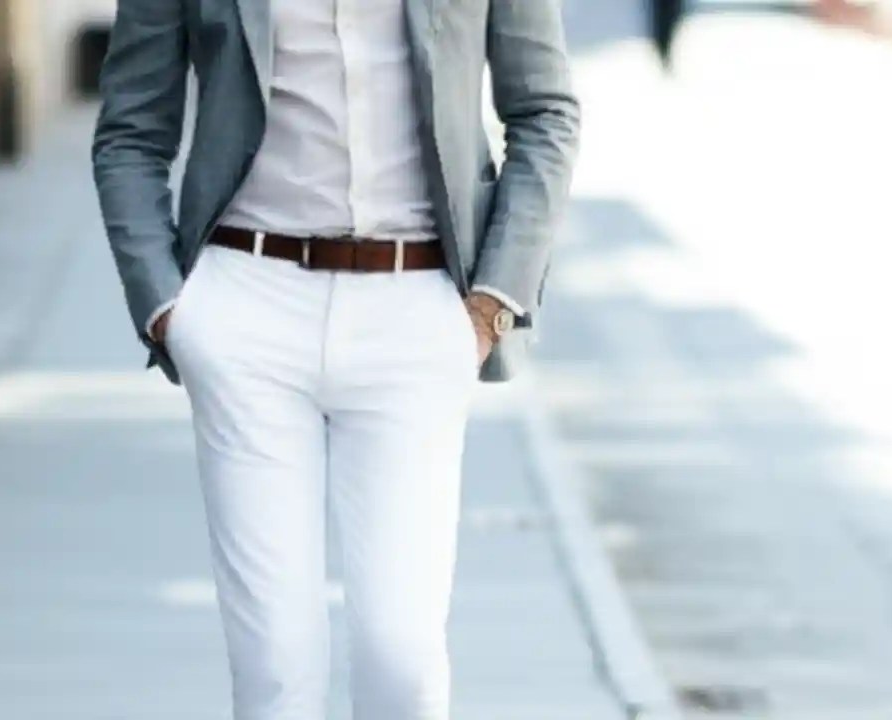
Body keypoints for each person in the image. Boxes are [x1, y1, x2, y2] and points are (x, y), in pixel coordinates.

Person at [91, 0, 579, 716]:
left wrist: (492, 303)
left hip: (415, 311)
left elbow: (544, 112)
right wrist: (168, 308)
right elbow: (131, 129)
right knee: (275, 666)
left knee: (402, 656)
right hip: (247, 303)